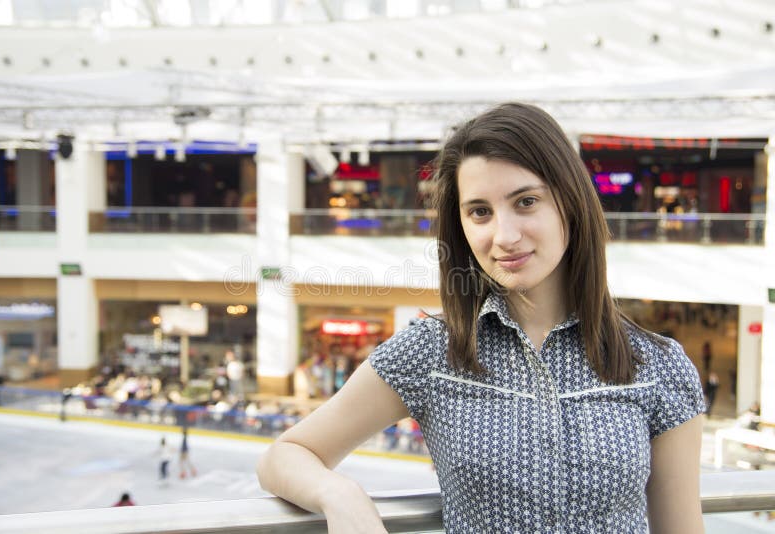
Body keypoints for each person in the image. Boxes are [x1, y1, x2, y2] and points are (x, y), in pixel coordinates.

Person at [256, 103, 705, 533]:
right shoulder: (433, 352)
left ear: (570, 201)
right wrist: (340, 495)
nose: (504, 236)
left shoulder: (657, 366)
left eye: (526, 202)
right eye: (480, 212)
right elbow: (286, 454)